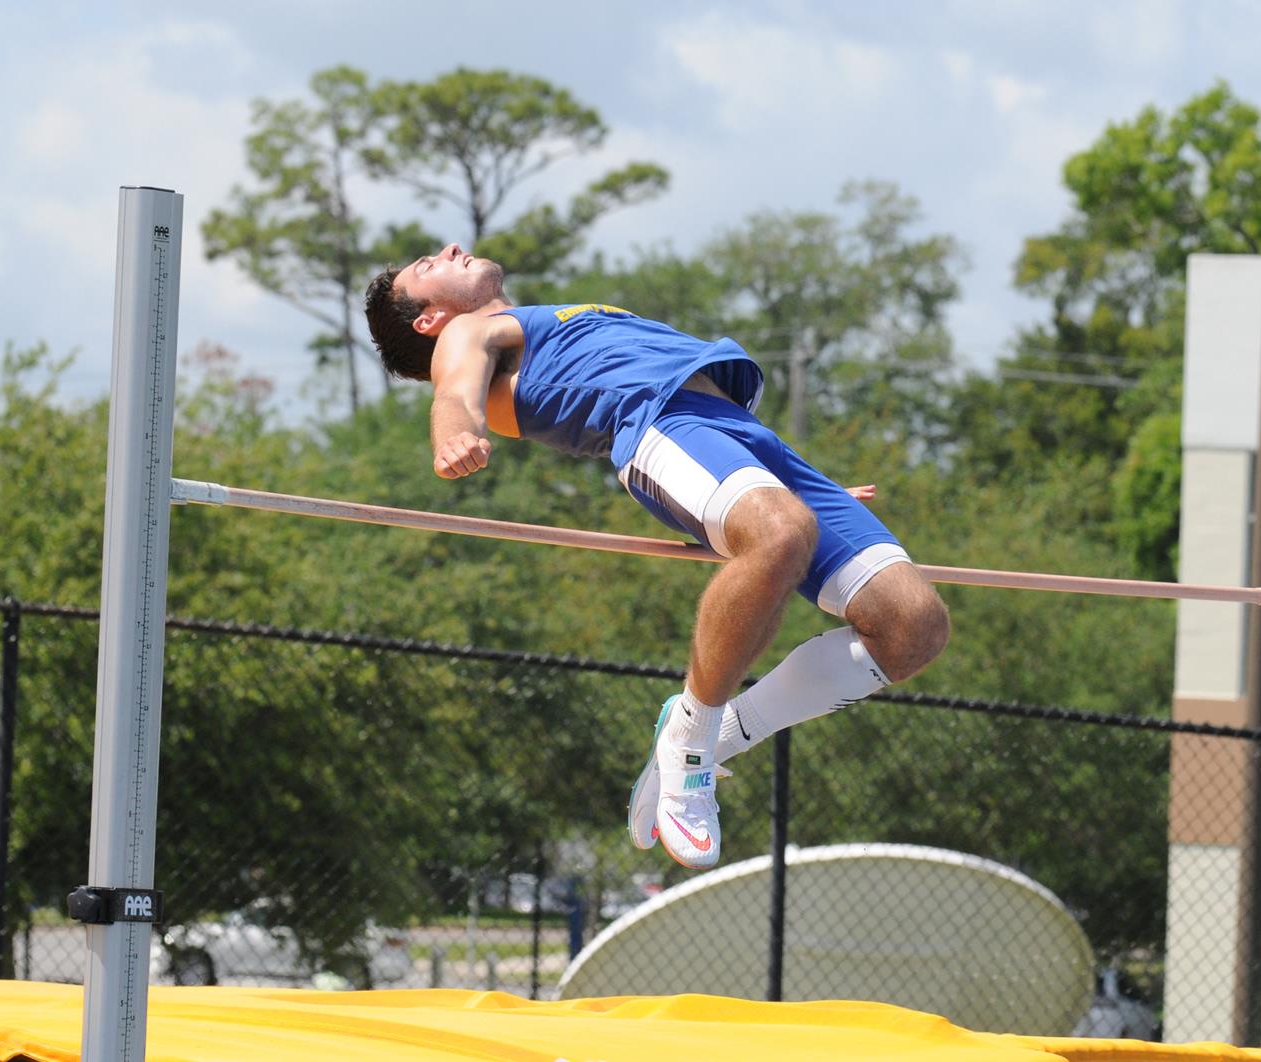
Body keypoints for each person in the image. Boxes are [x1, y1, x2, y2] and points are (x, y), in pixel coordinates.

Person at [364, 244, 949, 870]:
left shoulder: (540, 318)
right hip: (662, 425)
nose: (448, 250)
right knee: (780, 535)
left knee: (913, 627)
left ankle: (719, 730)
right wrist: (456, 435)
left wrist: (774, 484)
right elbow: (455, 393)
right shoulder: (467, 332)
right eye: (428, 267)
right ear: (429, 320)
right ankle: (692, 745)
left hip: (745, 439)